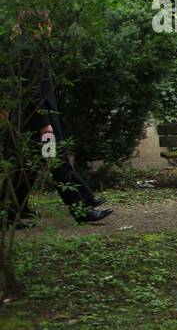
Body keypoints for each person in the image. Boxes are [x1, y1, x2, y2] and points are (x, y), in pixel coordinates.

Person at [5, 25, 112, 226]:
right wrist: (44, 124)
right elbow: (32, 92)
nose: (50, 27)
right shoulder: (28, 50)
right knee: (57, 165)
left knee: (28, 170)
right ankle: (82, 210)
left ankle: (9, 212)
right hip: (39, 124)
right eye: (46, 22)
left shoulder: (27, 47)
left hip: (36, 123)